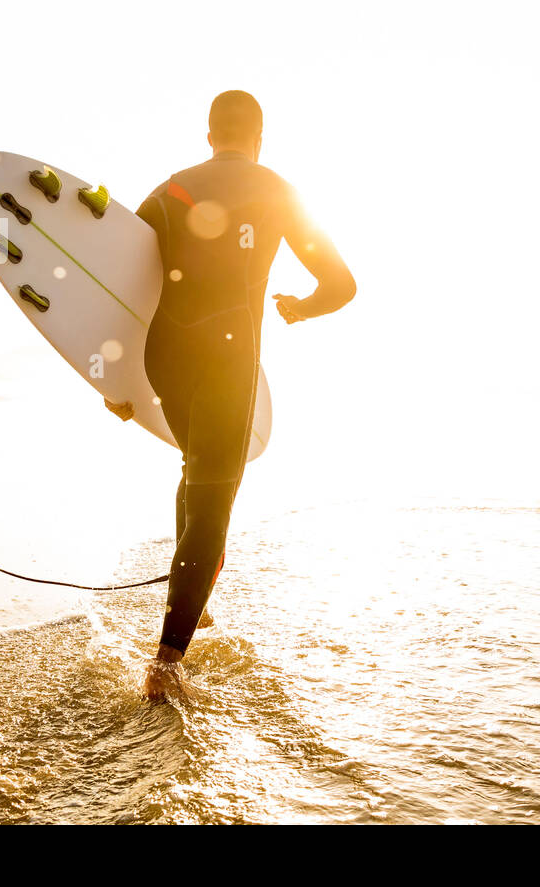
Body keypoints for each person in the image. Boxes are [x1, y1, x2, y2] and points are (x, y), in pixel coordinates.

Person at [108, 91, 355, 701]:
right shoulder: (279, 192)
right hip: (227, 358)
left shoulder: (168, 191)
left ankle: (193, 602)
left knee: (195, 469)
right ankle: (166, 665)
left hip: (163, 358)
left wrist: (115, 382)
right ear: (260, 136)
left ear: (209, 134)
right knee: (215, 496)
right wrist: (301, 308)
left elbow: (117, 283)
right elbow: (342, 285)